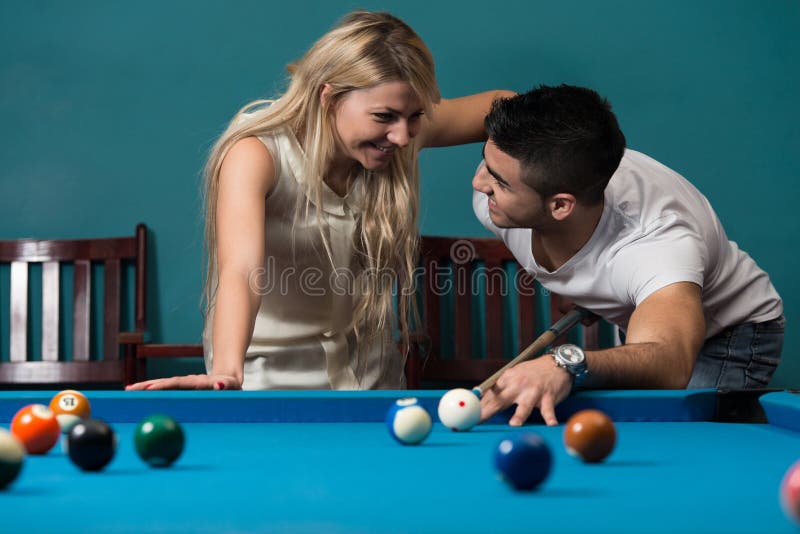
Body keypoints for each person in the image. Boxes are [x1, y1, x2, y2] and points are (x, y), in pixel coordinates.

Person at [126, 11, 512, 391]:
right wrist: (226, 371)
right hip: (271, 389)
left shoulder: (400, 132)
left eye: (415, 116)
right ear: (328, 97)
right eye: (384, 116)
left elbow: (507, 105)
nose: (403, 136)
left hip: (372, 386)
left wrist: (508, 177)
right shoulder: (256, 153)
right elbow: (241, 270)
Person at [472, 84, 784, 426]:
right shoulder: (512, 190)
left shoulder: (654, 244)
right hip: (649, 319)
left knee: (678, 440)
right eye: (486, 164)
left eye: (499, 182)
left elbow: (669, 362)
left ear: (560, 205)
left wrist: (562, 362)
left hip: (726, 331)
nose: (479, 184)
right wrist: (584, 287)